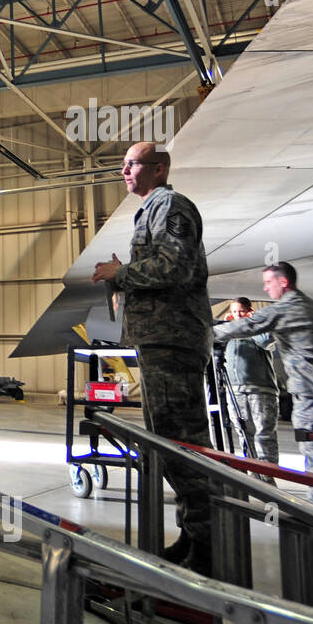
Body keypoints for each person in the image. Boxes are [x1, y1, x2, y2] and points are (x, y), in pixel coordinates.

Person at [91, 141, 213, 574]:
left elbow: (174, 268)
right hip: (162, 341)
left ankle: (209, 548)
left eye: (132, 164)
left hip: (173, 340)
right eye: (122, 165)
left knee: (183, 444)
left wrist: (118, 273)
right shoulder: (152, 209)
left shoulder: (171, 205)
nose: (124, 171)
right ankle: (194, 535)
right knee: (174, 442)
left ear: (158, 169)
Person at [214, 264, 313, 503]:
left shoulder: (285, 308)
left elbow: (246, 326)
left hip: (311, 398)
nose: (265, 288)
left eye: (268, 283)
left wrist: (203, 332)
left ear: (283, 283)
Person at [221, 297, 279, 469]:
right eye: (234, 312)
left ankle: (269, 475)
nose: (237, 315)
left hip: (260, 390)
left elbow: (267, 342)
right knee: (244, 433)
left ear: (249, 311)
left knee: (264, 435)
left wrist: (253, 324)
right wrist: (227, 327)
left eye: (241, 311)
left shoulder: (261, 329)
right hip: (235, 391)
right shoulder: (230, 333)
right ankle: (254, 474)